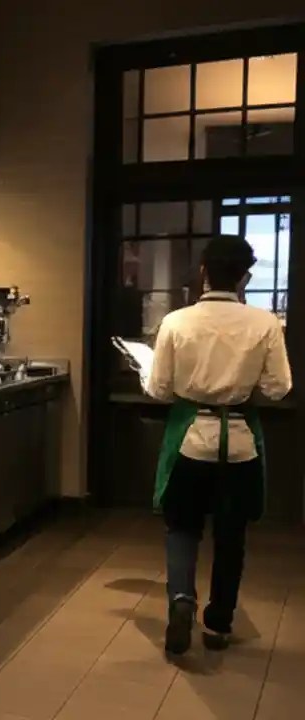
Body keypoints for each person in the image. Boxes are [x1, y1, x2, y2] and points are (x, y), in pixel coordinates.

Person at [143, 234, 291, 656]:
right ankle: (219, 623)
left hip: (191, 440)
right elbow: (279, 388)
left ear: (204, 271)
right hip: (241, 442)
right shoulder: (263, 323)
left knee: (182, 526)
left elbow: (159, 388)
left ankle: (181, 601)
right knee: (231, 534)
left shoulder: (177, 321)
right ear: (245, 277)